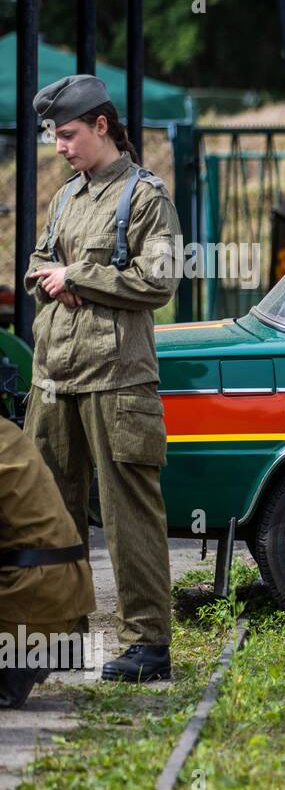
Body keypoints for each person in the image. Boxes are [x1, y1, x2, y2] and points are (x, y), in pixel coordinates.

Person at [23, 74, 182, 682]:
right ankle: (58, 637)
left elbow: (160, 280)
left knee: (127, 512)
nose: (60, 147)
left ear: (101, 126)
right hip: (54, 376)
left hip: (117, 380)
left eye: (67, 135)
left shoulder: (144, 197)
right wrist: (56, 274)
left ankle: (148, 645)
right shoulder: (67, 197)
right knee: (49, 513)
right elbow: (40, 262)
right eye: (54, 137)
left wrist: (79, 279)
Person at [0, 417, 96, 708]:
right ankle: (30, 652)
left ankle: (22, 653)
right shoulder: (6, 430)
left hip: (32, 594)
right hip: (57, 591)